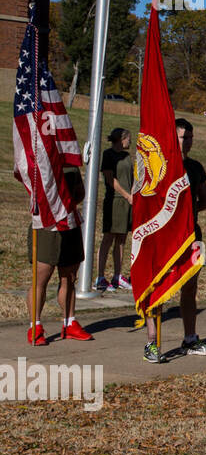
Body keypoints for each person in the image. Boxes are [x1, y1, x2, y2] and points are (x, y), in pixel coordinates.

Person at [28, 165, 93, 346]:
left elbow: (80, 192)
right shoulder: (40, 160)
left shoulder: (70, 164)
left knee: (69, 277)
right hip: (47, 224)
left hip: (69, 221)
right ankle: (35, 326)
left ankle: (69, 322)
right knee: (42, 276)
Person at [175, 118, 206, 356]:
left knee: (190, 288)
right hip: (168, 238)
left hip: (193, 235)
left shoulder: (196, 167)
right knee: (160, 286)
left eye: (190, 137)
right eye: (183, 137)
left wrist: (188, 215)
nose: (187, 142)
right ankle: (153, 340)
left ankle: (190, 338)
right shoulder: (163, 165)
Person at [96, 127, 133, 292]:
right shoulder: (108, 154)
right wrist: (126, 195)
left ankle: (118, 276)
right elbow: (110, 179)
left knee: (122, 239)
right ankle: (100, 277)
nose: (130, 142)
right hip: (115, 200)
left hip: (128, 202)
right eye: (128, 138)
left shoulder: (127, 156)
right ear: (121, 139)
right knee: (108, 238)